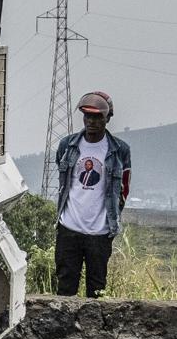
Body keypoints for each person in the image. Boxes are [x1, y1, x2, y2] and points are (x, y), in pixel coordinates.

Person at [52, 90, 131, 297]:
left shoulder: (119, 150)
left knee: (96, 290)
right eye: (87, 116)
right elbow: (64, 181)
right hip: (69, 228)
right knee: (65, 287)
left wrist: (111, 217)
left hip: (99, 233)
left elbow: (123, 189)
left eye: (97, 117)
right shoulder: (68, 146)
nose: (91, 121)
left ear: (107, 118)